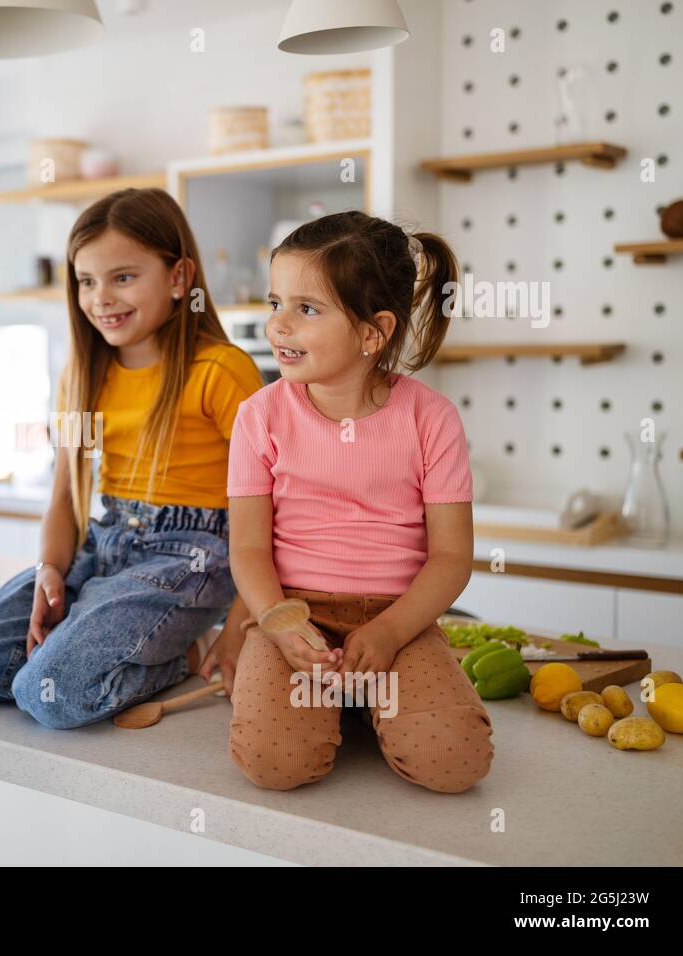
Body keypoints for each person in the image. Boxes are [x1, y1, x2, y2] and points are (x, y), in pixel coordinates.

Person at [0, 188, 261, 729]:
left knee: (53, 696)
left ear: (179, 277)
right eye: (86, 281)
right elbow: (64, 497)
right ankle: (118, 642)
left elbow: (271, 511)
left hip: (193, 559)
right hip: (103, 543)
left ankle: (177, 652)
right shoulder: (83, 374)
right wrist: (50, 572)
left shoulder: (221, 371)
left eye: (123, 277)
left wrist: (240, 625)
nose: (101, 298)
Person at [207, 210, 492, 793]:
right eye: (274, 303)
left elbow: (451, 558)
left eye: (306, 309)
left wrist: (388, 634)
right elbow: (250, 547)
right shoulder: (258, 417)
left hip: (399, 621)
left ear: (373, 331)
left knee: (455, 765)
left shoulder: (431, 419)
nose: (278, 326)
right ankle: (352, 704)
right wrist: (277, 625)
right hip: (292, 616)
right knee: (274, 765)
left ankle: (361, 702)